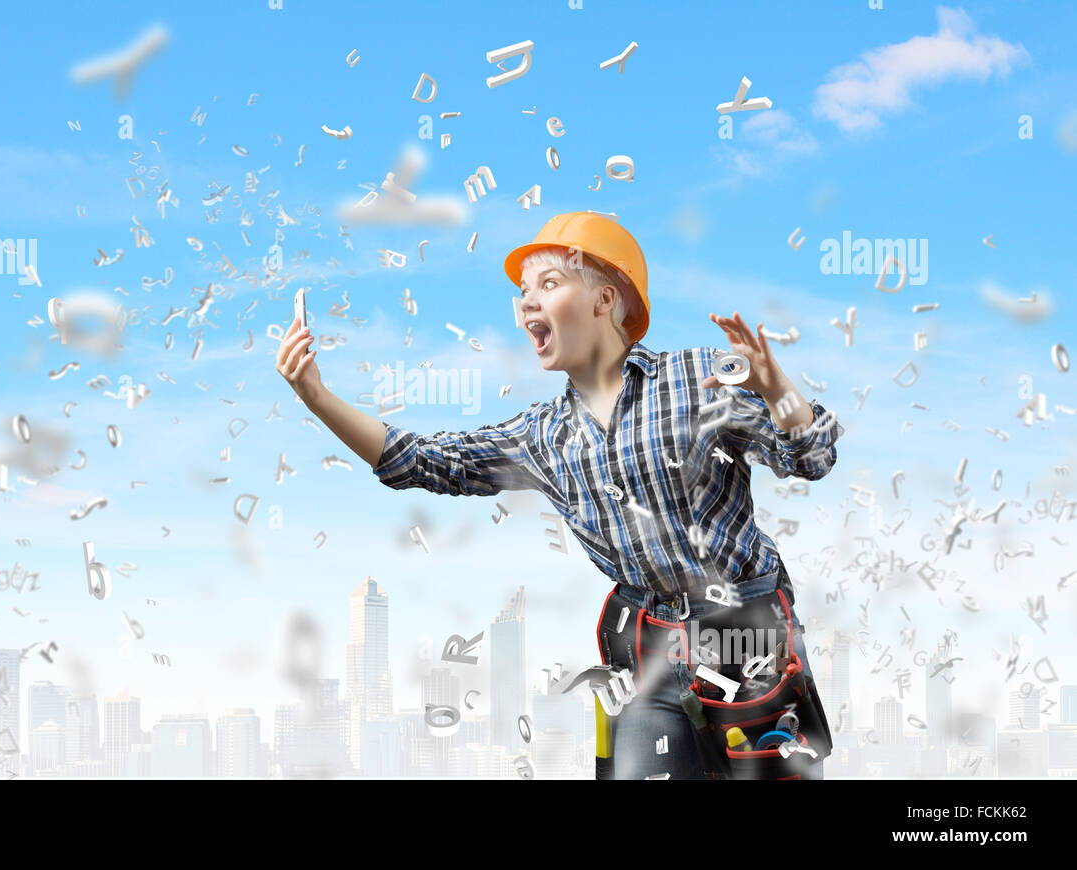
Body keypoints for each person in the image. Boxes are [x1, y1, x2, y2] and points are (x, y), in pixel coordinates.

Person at [275, 211, 843, 779]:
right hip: (644, 649)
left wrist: (778, 389)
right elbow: (421, 460)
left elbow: (811, 457)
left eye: (548, 284)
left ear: (606, 299)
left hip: (744, 636)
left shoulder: (698, 378)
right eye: (522, 292)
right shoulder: (541, 437)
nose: (526, 303)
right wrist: (317, 397)